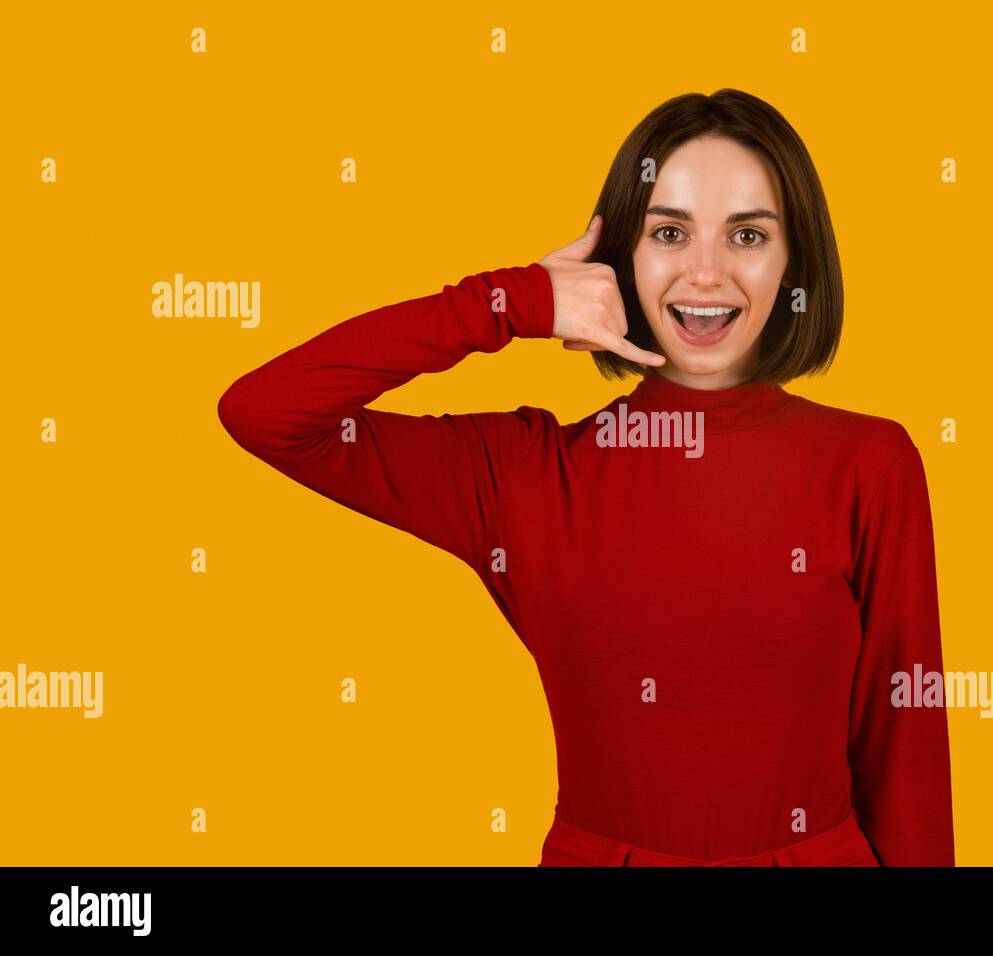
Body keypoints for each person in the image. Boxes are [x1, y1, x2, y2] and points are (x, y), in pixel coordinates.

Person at [217, 88, 955, 867]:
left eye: (747, 235)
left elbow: (907, 749)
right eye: (669, 232)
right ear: (621, 260)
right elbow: (266, 411)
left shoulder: (871, 463)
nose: (705, 274)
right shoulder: (523, 475)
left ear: (794, 261)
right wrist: (510, 302)